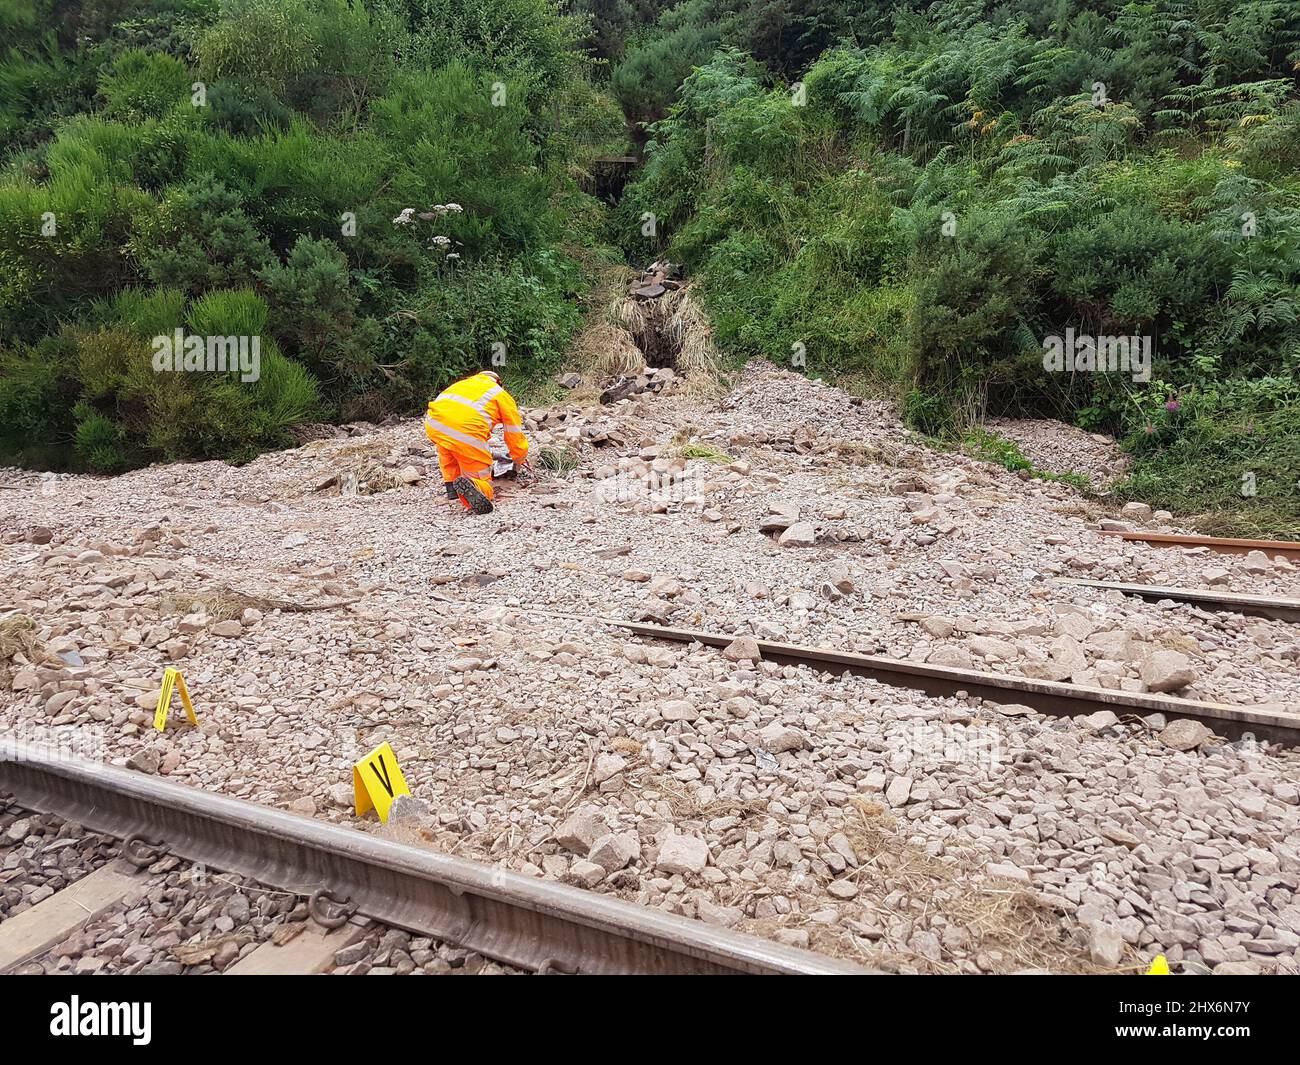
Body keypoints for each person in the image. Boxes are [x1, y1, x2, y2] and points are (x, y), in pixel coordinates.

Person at [423, 370, 529, 514]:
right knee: (480, 475)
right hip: (467, 429)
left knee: (448, 449)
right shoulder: (499, 394)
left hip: (433, 424)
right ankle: (477, 487)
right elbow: (513, 431)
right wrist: (519, 458)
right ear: (499, 383)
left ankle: (451, 487)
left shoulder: (462, 384)